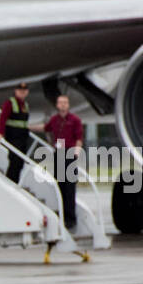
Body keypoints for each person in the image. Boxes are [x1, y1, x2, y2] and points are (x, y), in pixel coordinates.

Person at [44, 94, 85, 228]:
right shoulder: (54, 120)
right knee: (60, 186)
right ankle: (61, 216)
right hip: (59, 153)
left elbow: (79, 137)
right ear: (57, 105)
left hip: (69, 153)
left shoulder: (75, 120)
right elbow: (46, 128)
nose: (62, 105)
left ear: (68, 105)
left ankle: (70, 219)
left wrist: (77, 151)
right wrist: (26, 127)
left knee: (70, 187)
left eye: (65, 103)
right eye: (60, 103)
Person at [0, 81, 32, 183]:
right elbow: (3, 118)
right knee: (14, 161)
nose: (22, 93)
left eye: (24, 91)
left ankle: (16, 182)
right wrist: (0, 133)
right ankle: (10, 181)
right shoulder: (10, 103)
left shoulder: (25, 105)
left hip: (23, 138)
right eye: (20, 91)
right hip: (13, 137)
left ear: (27, 92)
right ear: (16, 91)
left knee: (20, 162)